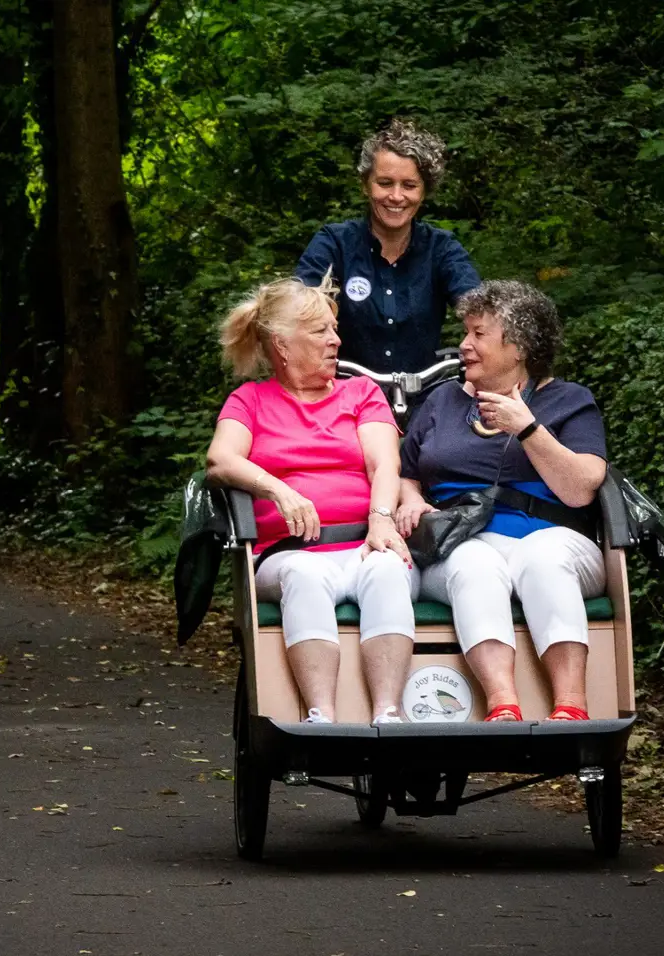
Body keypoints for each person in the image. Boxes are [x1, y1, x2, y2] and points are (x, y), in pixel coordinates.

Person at [205, 277, 416, 724]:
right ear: (282, 344)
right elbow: (220, 460)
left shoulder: (360, 393)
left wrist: (381, 519)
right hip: (288, 554)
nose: (335, 340)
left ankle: (389, 714)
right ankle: (322, 717)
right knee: (304, 574)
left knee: (387, 570)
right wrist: (278, 489)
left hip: (363, 542)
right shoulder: (252, 401)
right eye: (320, 331)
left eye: (334, 329)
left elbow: (384, 464)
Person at [394, 280, 608, 721]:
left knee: (542, 557)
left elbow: (581, 487)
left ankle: (572, 707)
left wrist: (527, 428)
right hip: (456, 540)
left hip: (553, 536)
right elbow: (403, 473)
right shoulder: (441, 401)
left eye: (478, 334)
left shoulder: (568, 400)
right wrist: (410, 499)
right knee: (476, 564)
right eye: (465, 333)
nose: (464, 345)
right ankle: (502, 706)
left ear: (520, 348)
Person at [294, 118, 481, 374]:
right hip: (343, 396)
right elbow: (297, 309)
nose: (396, 196)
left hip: (425, 399)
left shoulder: (441, 248)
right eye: (384, 183)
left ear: (424, 191)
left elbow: (478, 305)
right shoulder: (334, 243)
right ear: (365, 185)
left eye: (409, 185)